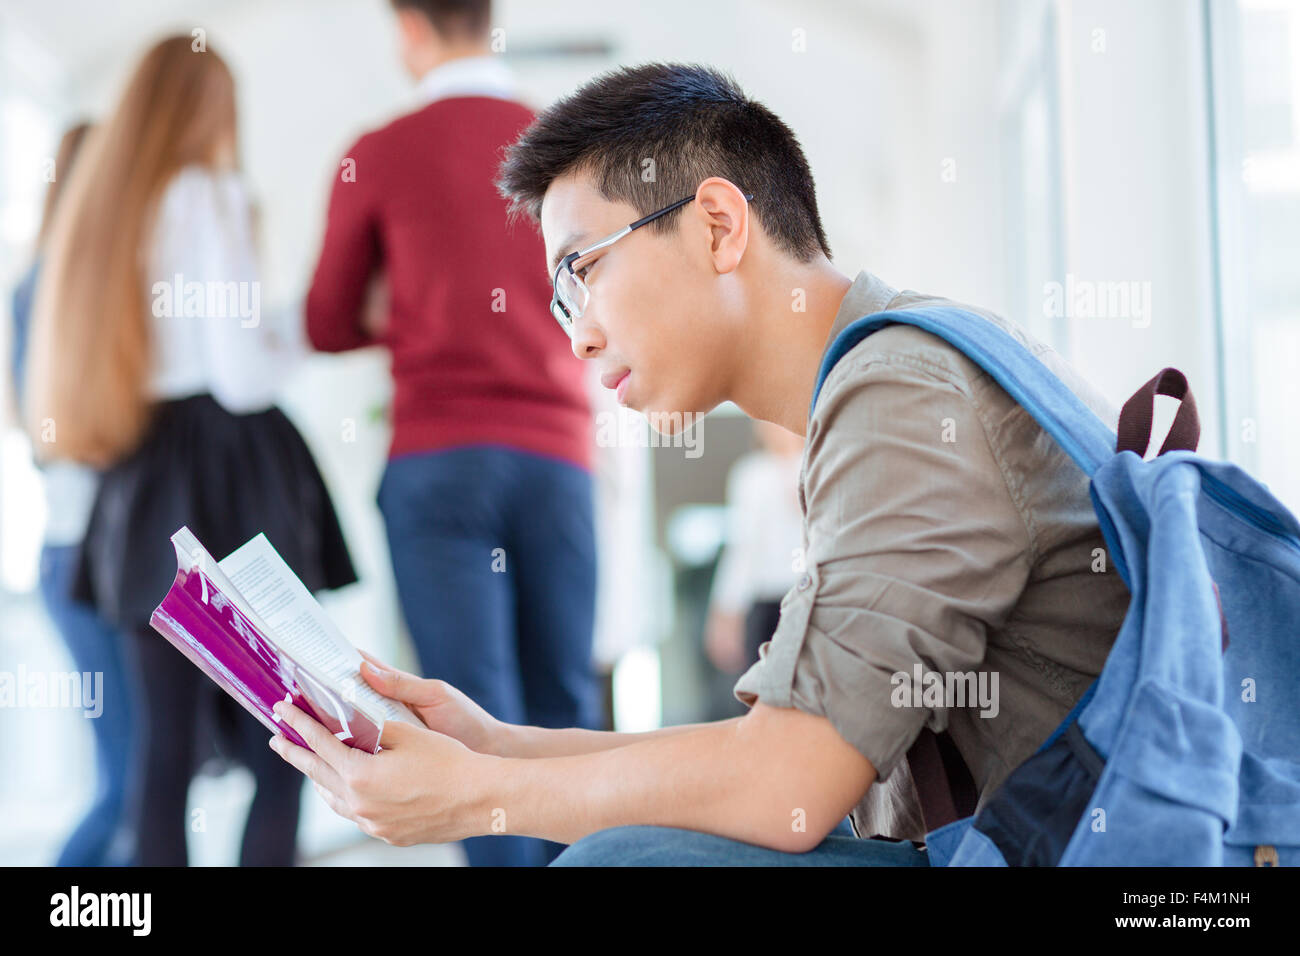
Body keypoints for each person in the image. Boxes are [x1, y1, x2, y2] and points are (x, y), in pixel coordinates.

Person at [268, 62, 1130, 866]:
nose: (577, 334)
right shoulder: (889, 376)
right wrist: (493, 745)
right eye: (559, 299)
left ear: (718, 226)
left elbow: (785, 781)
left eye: (583, 270)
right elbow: (767, 751)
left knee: (621, 861)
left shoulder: (900, 395)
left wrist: (479, 799)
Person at [23, 36, 358, 866]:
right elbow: (244, 375)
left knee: (160, 755)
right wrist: (301, 331)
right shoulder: (209, 195)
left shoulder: (106, 215)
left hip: (140, 484)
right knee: (290, 738)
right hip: (234, 476)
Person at [304, 0, 598, 867]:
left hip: (438, 458)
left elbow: (323, 318)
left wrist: (406, 312)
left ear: (410, 28)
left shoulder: (379, 153)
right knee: (563, 711)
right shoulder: (565, 146)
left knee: (466, 733)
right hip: (557, 460)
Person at [10, 121, 141, 867]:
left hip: (76, 552)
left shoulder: (42, 279)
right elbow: (70, 436)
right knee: (130, 779)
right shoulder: (68, 281)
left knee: (132, 773)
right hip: (89, 557)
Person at [705, 420, 804, 676]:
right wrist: (725, 614)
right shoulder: (750, 475)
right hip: (765, 601)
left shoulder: (815, 464)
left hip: (807, 597)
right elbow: (741, 550)